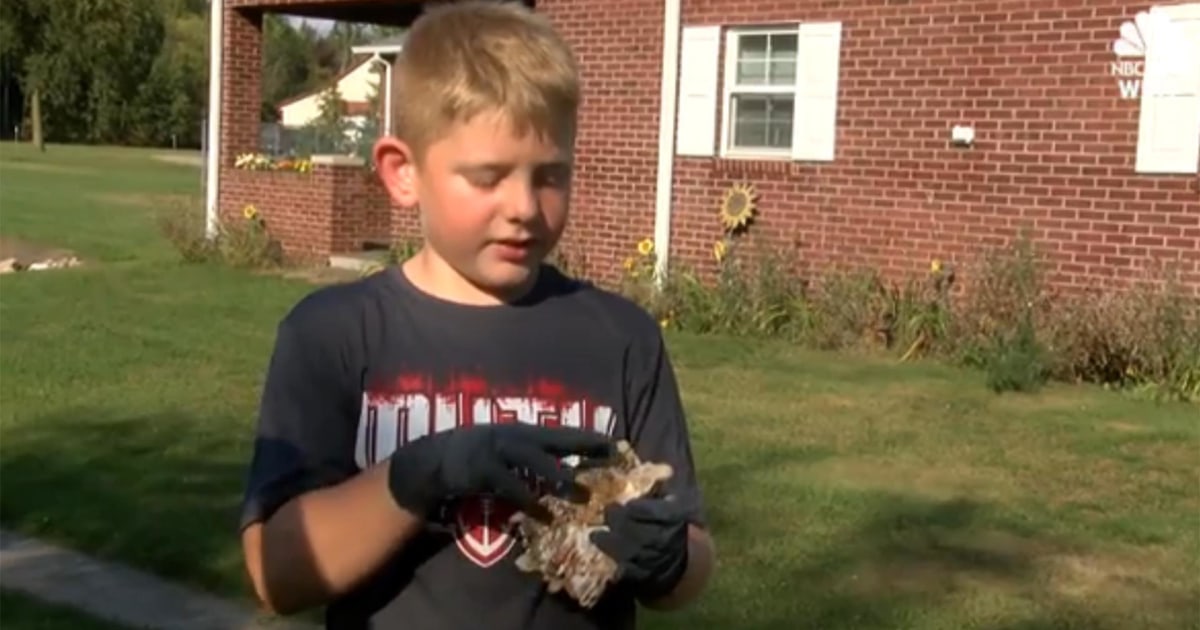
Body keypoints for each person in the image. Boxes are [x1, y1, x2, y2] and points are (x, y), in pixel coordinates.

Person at [237, 2, 715, 628]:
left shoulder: (620, 338)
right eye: (487, 177)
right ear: (402, 173)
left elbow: (693, 553)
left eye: (550, 175)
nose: (523, 205)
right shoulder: (334, 335)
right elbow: (279, 575)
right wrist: (413, 479)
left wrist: (670, 559)